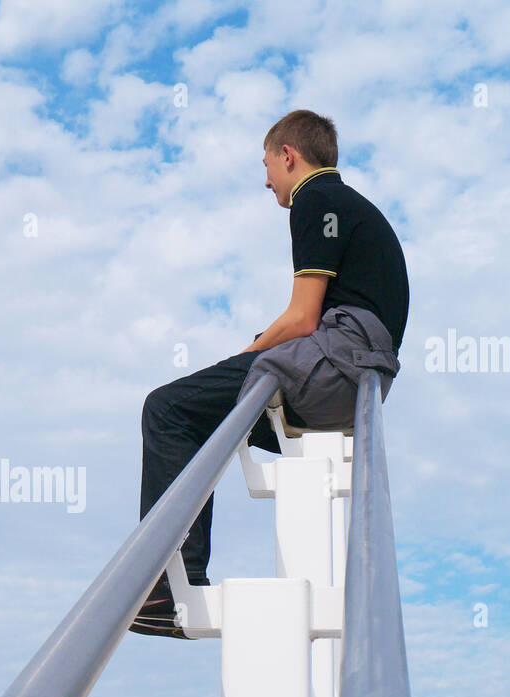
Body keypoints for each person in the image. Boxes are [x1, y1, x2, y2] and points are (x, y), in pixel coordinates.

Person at [130, 109, 409, 638]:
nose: (266, 181)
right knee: (212, 415)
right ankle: (177, 574)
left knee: (168, 408)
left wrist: (252, 350)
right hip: (357, 373)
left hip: (337, 360)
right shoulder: (346, 204)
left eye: (267, 165)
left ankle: (167, 584)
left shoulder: (315, 199)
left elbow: (303, 317)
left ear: (288, 155)